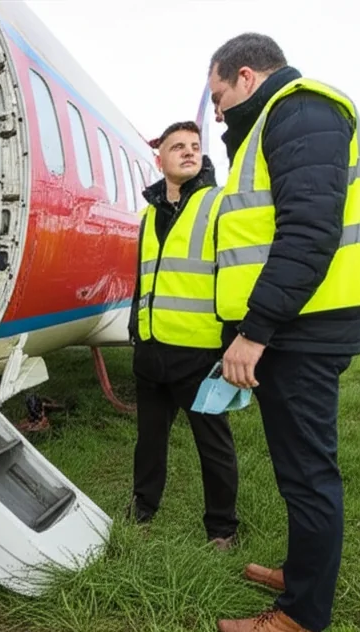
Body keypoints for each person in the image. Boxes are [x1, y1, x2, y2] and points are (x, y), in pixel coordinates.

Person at [205, 33, 360, 632]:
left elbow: (308, 233)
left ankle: (301, 618)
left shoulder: (301, 112)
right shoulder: (283, 121)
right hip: (299, 325)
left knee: (308, 473)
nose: (220, 111)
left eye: (221, 96)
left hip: (301, 330)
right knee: (296, 469)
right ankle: (303, 572)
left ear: (247, 76)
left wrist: (254, 332)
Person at [127, 121, 240, 549]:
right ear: (160, 158)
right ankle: (142, 508)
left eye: (195, 146)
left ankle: (222, 529)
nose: (189, 152)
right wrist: (136, 329)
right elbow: (145, 278)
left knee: (213, 444)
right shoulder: (148, 214)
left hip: (199, 351)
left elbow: (233, 274)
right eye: (178, 146)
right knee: (149, 441)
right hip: (151, 349)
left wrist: (232, 340)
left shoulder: (218, 204)